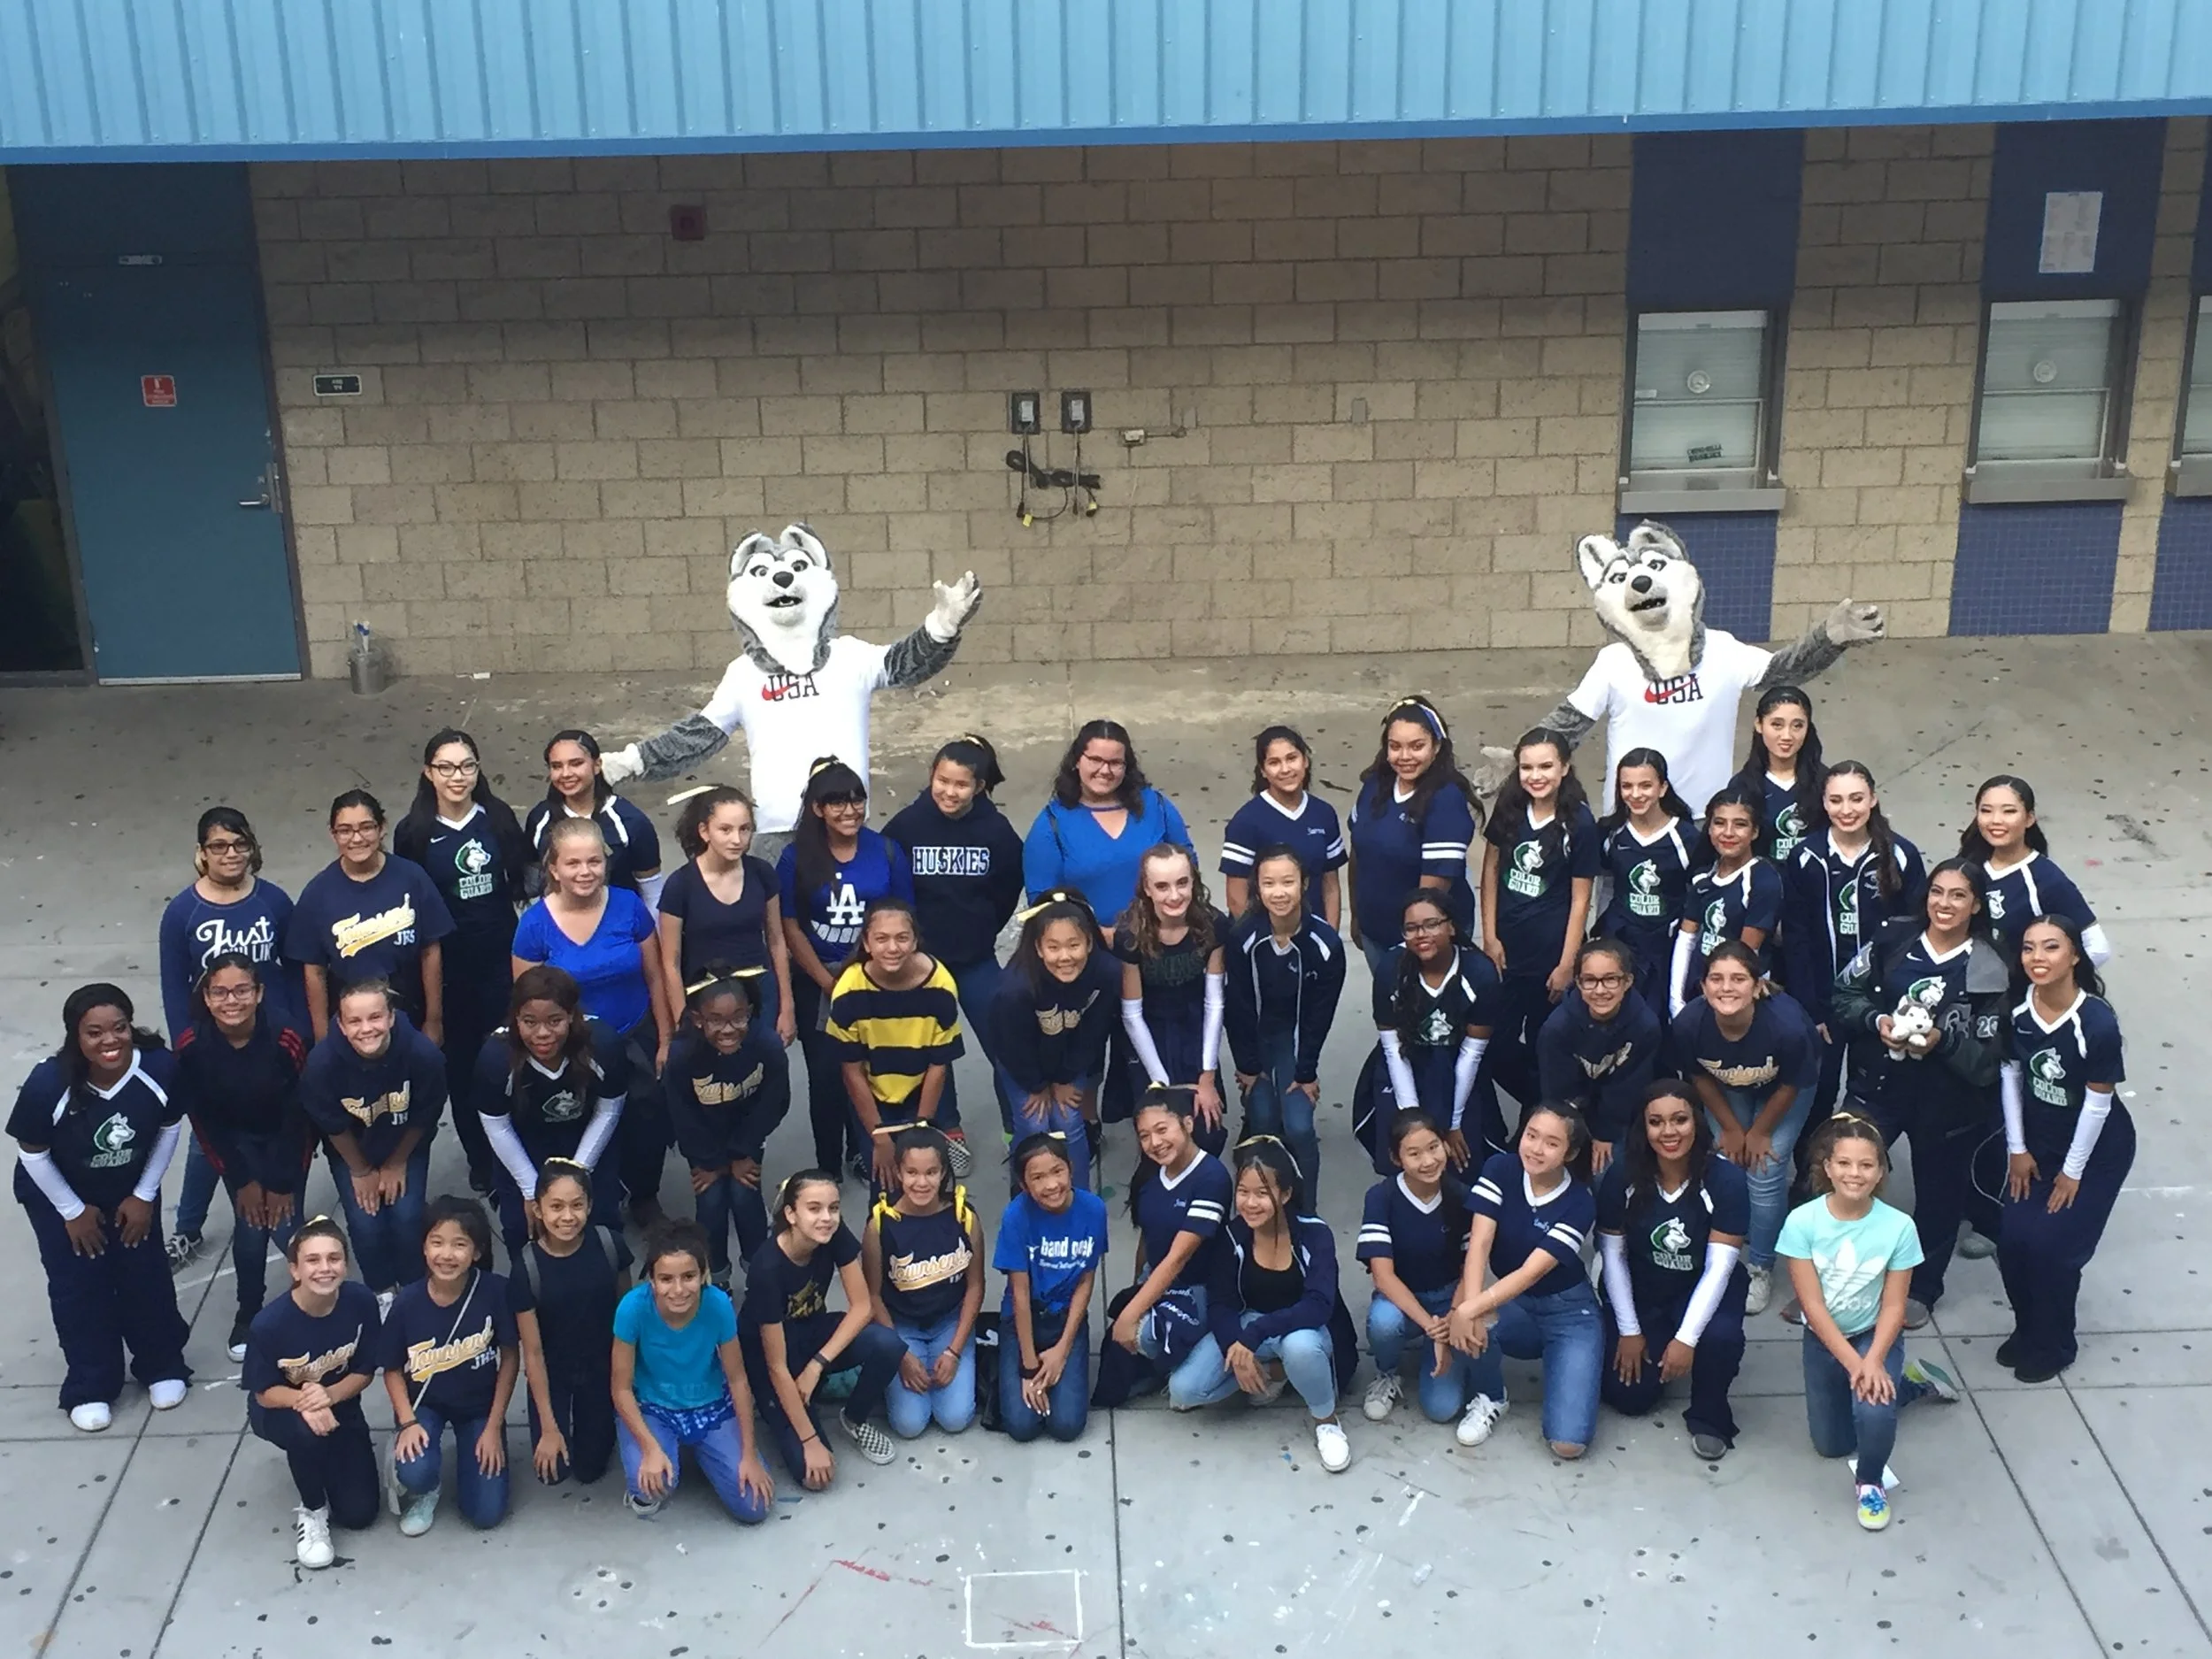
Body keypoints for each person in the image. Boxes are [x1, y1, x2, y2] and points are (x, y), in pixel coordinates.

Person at [1830, 859, 2008, 1328]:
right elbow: (1844, 993)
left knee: (1939, 1199)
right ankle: (1833, 1280)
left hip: (1949, 1106)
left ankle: (1923, 1289)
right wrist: (1877, 1021)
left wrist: (1943, 1042)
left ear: (1977, 904)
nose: (1944, 904)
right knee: (1836, 1174)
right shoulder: (1892, 938)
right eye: (1937, 892)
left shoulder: (1991, 968)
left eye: (1957, 895)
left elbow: (1990, 1062)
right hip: (1877, 1088)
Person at [8, 985, 190, 1432]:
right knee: (80, 1287)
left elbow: (169, 1128)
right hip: (60, 1197)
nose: (110, 1041)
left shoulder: (160, 1068)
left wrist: (145, 1194)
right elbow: (32, 1153)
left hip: (130, 1189)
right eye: (95, 1033)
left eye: (119, 1028)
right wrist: (72, 1210)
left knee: (144, 1275)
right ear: (76, 1036)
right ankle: (90, 1385)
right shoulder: (48, 1083)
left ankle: (161, 1364)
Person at [1777, 1115, 1962, 1532]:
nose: (1854, 1174)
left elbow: (1895, 1306)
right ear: (1827, 1167)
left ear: (1880, 1171)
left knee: (1874, 1413)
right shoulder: (1802, 1224)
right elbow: (1812, 1305)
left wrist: (1873, 1360)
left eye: (1865, 1165)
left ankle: (1871, 1481)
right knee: (1833, 1444)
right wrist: (1856, 1366)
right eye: (1844, 1163)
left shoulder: (1898, 1228)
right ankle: (1909, 1386)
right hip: (1824, 1340)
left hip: (1874, 1335)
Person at [157, 806, 303, 1270]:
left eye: (240, 844)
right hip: (211, 1045)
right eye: (219, 846)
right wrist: (187, 1044)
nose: (231, 854)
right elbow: (173, 986)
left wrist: (301, 1028)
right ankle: (187, 1229)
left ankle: (286, 1217)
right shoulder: (182, 912)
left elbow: (298, 972)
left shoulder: (275, 902)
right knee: (207, 1141)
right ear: (201, 854)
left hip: (271, 1041)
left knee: (286, 1125)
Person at [511, 817, 672, 1224]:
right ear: (554, 868)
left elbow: (654, 976)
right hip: (571, 1046)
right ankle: (589, 1199)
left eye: (594, 862)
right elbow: (527, 1004)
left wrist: (666, 1040)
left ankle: (644, 1196)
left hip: (634, 1034)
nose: (585, 872)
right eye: (573, 863)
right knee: (582, 1126)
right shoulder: (533, 926)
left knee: (647, 1120)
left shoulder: (630, 907)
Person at [1995, 916, 2134, 1383]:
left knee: (2053, 1249)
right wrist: (2017, 1148)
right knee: (2013, 1240)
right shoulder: (2016, 1010)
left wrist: (2072, 1171)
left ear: (2074, 956)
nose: (2039, 957)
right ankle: (2028, 1328)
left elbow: (2098, 1105)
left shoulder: (2096, 1022)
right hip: (2038, 1145)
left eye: (2051, 947)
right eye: (2030, 947)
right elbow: (2011, 1075)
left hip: (2095, 1152)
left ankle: (2056, 1343)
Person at [396, 729, 532, 1196]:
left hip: (499, 962)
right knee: (461, 1070)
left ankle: (517, 1150)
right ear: (428, 773)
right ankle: (482, 1161)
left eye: (467, 766)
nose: (458, 776)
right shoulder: (414, 832)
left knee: (509, 1060)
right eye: (447, 767)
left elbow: (525, 882)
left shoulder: (496, 820)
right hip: (446, 972)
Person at [1174, 1137, 1359, 1472]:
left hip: (1305, 1330)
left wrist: (1252, 1336)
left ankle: (1326, 1421)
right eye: (1243, 1192)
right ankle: (1274, 1373)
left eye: (1262, 1193)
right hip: (1252, 1327)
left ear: (1285, 1194)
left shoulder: (1315, 1235)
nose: (1250, 1203)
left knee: (1300, 1348)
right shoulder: (1233, 1236)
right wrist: (1235, 1344)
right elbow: (1221, 1303)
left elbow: (1318, 1305)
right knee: (1185, 1390)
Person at [1596, 1081, 1751, 1460]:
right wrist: (1630, 1331)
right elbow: (1611, 1255)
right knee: (1630, 1398)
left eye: (1680, 1120)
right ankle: (1653, 1354)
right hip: (1641, 1288)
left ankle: (1710, 1414)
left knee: (1719, 1336)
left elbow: (1719, 1268)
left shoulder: (1725, 1180)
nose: (1668, 1132)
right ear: (1642, 1128)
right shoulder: (1622, 1176)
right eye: (1656, 1122)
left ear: (1697, 1122)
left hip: (1699, 1285)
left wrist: (1687, 1339)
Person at [171, 955, 313, 1360]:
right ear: (207, 997)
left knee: (288, 1229)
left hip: (284, 1140)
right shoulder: (192, 1047)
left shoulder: (287, 1038)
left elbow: (300, 1114)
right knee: (251, 1230)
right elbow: (204, 1121)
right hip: (234, 1145)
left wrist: (283, 1183)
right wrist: (243, 1180)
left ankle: (311, 1310)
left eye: (242, 990)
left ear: (259, 993)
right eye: (219, 991)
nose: (231, 1000)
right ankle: (249, 1312)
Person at [779, 757, 914, 1179]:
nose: (850, 811)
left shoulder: (887, 851)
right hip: (816, 979)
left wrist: (874, 972)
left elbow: (902, 916)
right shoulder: (795, 858)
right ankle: (827, 1164)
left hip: (875, 975)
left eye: (857, 800)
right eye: (837, 803)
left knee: (871, 1066)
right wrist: (825, 980)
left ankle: (866, 1149)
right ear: (818, 809)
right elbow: (788, 924)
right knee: (825, 1073)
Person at [1445, 1103, 1602, 1460]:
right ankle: (1491, 1396)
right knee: (1472, 1322)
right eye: (1531, 1136)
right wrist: (1470, 1308)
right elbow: (1480, 1244)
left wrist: (1468, 1308)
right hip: (1514, 1306)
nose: (1535, 1148)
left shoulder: (1579, 1202)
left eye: (1551, 1143)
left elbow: (1531, 1272)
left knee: (1568, 1445)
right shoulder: (1501, 1168)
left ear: (1571, 1153)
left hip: (1569, 1313)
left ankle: (1572, 1362)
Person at [1672, 943, 1819, 1316]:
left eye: (1738, 979)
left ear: (1757, 986)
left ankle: (1760, 1265)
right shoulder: (1690, 1023)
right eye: (1716, 979)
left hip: (1784, 1088)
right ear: (1703, 986)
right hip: (1727, 1083)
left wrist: (1760, 1132)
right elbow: (1697, 1076)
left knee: (1765, 1168)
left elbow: (1792, 1083)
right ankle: (1723, 1246)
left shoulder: (1787, 1027)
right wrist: (1733, 1129)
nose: (1726, 988)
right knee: (1728, 1159)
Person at [1781, 762, 1927, 1125]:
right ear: (1824, 804)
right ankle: (1811, 1176)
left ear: (1873, 799)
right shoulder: (1805, 857)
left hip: (1879, 1002)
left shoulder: (1901, 855)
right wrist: (1810, 1010)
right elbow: (1796, 938)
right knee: (1818, 1094)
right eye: (1836, 800)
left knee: (1874, 1096)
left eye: (1857, 799)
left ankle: (1863, 1171)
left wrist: (1899, 1004)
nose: (1847, 810)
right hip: (1824, 1001)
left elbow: (1914, 934)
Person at [739, 1171, 906, 1484]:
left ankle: (854, 1417)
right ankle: (780, 1407)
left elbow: (862, 1306)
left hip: (814, 1332)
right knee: (815, 1474)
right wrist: (809, 1441)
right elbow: (776, 1366)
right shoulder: (767, 1269)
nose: (826, 1218)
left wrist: (818, 1365)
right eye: (814, 1209)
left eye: (833, 1208)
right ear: (791, 1214)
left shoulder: (832, 1232)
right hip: (771, 1357)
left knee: (888, 1343)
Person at [885, 734, 1027, 1083]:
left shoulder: (996, 831)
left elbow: (1009, 884)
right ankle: (944, 1127)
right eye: (943, 781)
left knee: (1007, 1045)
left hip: (975, 962)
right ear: (932, 775)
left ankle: (1018, 1130)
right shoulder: (906, 827)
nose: (950, 792)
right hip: (920, 963)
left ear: (979, 787)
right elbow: (889, 887)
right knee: (927, 1052)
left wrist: (984, 926)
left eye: (961, 785)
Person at [613, 1218, 776, 1523]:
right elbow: (620, 1388)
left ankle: (705, 1451)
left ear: (704, 1275)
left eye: (688, 1276)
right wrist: (649, 1449)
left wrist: (749, 1454)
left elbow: (738, 1379)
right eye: (665, 1279)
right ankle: (661, 1447)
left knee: (754, 1507)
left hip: (711, 1405)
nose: (678, 1290)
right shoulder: (632, 1308)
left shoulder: (718, 1305)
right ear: (651, 1279)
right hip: (654, 1407)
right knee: (649, 1489)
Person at [1479, 730, 1600, 1133]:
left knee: (1545, 1046)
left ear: (1564, 768)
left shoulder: (1579, 822)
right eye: (1527, 767)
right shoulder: (1510, 809)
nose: (1536, 776)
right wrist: (1490, 936)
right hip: (1507, 954)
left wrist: (1568, 963)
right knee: (1494, 1045)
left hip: (1551, 956)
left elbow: (1582, 897)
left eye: (1546, 766)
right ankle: (1543, 1108)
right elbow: (1491, 870)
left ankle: (1539, 1125)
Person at [297, 980, 446, 1305]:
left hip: (405, 1144)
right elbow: (331, 1124)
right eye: (355, 1021)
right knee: (365, 1222)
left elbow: (426, 1114)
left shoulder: (422, 1055)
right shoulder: (322, 1064)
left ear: (391, 1018)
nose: (367, 1029)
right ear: (340, 1024)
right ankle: (380, 1292)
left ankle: (413, 1288)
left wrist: (396, 1162)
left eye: (375, 1018)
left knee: (406, 1215)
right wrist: (361, 1170)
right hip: (352, 1149)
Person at [244, 1217, 381, 1569]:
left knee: (360, 1514)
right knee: (305, 1435)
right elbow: (263, 1392)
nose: (325, 1268)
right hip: (280, 1410)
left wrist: (329, 1396)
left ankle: (337, 1459)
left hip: (340, 1404)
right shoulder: (269, 1323)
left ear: (345, 1264)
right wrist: (306, 1403)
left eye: (334, 1259)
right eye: (313, 1260)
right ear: (294, 1269)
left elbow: (365, 1371)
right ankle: (313, 1511)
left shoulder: (362, 1302)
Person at [379, 1195, 519, 1536]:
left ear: (477, 1252)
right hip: (425, 1407)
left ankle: (468, 1462)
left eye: (460, 1244)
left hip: (478, 1408)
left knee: (486, 1514)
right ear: (424, 1247)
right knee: (415, 1470)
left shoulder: (495, 1291)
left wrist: (493, 1426)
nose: (447, 1254)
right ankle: (422, 1486)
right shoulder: (407, 1303)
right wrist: (407, 1420)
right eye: (437, 1242)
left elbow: (510, 1357)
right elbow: (392, 1368)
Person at [472, 966, 628, 1256]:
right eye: (529, 1022)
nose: (542, 1034)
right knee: (525, 1229)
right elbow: (496, 1125)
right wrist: (533, 1191)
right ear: (516, 1019)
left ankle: (609, 1295)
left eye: (554, 1020)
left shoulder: (603, 1045)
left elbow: (609, 1110)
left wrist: (578, 1174)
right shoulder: (496, 1058)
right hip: (524, 1145)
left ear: (571, 1015)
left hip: (586, 1140)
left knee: (601, 1227)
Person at [286, 789, 455, 1043]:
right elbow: (314, 971)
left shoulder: (412, 878)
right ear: (333, 835)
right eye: (345, 830)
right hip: (351, 1023)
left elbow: (431, 951)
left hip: (409, 1016)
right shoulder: (318, 893)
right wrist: (322, 1035)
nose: (357, 838)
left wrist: (434, 1020)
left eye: (366, 827)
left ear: (382, 828)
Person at [1225, 848, 1347, 1197]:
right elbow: (1238, 1007)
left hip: (1295, 1041)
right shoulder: (1244, 939)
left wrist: (1306, 1072)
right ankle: (1258, 1199)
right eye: (1269, 883)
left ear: (1304, 885)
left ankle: (1306, 1209)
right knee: (1262, 1120)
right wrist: (1247, 1066)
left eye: (1288, 882)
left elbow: (1319, 1016)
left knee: (1299, 1127)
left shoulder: (1325, 946)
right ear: (1257, 889)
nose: (1279, 892)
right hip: (1258, 1039)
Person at [826, 897, 968, 1187]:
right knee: (885, 1188)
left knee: (925, 1183)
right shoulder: (848, 991)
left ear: (915, 941)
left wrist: (920, 1128)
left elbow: (938, 1066)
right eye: (881, 939)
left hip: (922, 1091)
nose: (892, 948)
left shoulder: (940, 985)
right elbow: (852, 1072)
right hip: (872, 1096)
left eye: (902, 938)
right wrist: (879, 1135)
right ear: (866, 943)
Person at [1354, 890, 1497, 1171]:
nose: (1421, 934)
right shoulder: (1390, 971)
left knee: (1462, 1155)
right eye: (1411, 928)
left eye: (1431, 924)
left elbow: (1472, 1054)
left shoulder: (1480, 974)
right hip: (1404, 1061)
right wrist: (1413, 1122)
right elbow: (1393, 1050)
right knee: (1405, 1153)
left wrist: (1454, 1122)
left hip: (1454, 1064)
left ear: (1452, 927)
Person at [665, 966, 792, 1285]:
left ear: (750, 1013)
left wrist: (742, 1153)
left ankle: (760, 1271)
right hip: (703, 1143)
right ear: (698, 1020)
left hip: (747, 1136)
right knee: (710, 1201)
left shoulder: (767, 1046)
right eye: (716, 1020)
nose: (729, 1029)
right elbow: (681, 1115)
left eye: (738, 1017)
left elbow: (775, 1103)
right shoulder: (681, 1056)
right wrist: (712, 1164)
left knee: (744, 1193)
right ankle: (715, 1275)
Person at [1108, 1087, 1233, 1401]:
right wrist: (1137, 1287)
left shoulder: (1211, 1177)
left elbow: (1179, 1258)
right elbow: (1147, 1236)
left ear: (1188, 1124)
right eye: (1145, 1135)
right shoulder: (1151, 1174)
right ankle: (1169, 1359)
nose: (1155, 1143)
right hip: (1159, 1277)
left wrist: (1130, 1316)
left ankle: (1262, 1367)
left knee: (1181, 1389)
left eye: (1162, 1130)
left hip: (1202, 1288)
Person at [512, 1160, 631, 1487]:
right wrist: (549, 1428)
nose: (567, 1217)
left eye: (577, 1205)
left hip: (601, 1370)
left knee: (590, 1470)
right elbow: (532, 1355)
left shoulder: (610, 1246)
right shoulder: (527, 1268)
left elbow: (627, 1318)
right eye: (556, 1207)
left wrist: (625, 1383)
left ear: (590, 1206)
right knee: (554, 1473)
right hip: (555, 1374)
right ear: (538, 1210)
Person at [1344, 695, 1480, 979]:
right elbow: (1358, 852)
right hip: (1375, 933)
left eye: (1417, 746)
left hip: (1424, 942)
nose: (1404, 757)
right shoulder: (1375, 787)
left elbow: (1432, 895)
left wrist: (1412, 947)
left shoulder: (1447, 801)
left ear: (1437, 747)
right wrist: (1357, 915)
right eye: (1395, 747)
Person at [1357, 1111, 1479, 1427]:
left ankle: (1444, 1355)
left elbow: (1471, 1268)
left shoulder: (1462, 1196)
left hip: (1449, 1300)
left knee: (1442, 1409)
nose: (1427, 1161)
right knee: (1384, 1324)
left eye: (1434, 1147)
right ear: (1396, 1159)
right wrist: (1433, 1328)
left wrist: (1454, 1316)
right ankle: (1387, 1372)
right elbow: (1383, 1276)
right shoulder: (1381, 1198)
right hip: (1401, 1298)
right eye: (1414, 1153)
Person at [864, 1127, 987, 1439]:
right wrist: (900, 1354)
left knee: (955, 1418)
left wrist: (954, 1351)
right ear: (899, 1172)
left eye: (931, 1172)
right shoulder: (880, 1223)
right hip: (902, 1326)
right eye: (912, 1172)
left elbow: (975, 1286)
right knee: (909, 1425)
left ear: (944, 1171)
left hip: (950, 1322)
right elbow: (873, 1296)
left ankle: (969, 1359)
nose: (922, 1182)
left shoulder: (964, 1217)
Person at [990, 892, 1118, 1179]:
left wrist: (1064, 1079)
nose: (1065, 957)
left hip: (1071, 1059)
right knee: (1034, 1126)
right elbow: (1011, 1046)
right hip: (1023, 1066)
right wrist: (1037, 1086)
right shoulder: (1014, 990)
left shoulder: (1106, 973)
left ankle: (1079, 1197)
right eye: (1054, 947)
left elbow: (1094, 1033)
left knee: (1069, 1121)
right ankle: (1026, 1195)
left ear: (1089, 942)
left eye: (1074, 945)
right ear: (1038, 948)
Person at [656, 785, 796, 1046]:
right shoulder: (680, 886)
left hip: (759, 997)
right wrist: (681, 1020)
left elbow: (777, 942)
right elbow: (670, 963)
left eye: (745, 829)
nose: (737, 839)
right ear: (704, 831)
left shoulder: (762, 874)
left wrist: (787, 1007)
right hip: (706, 1001)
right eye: (726, 830)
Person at [994, 1132, 1110, 1442]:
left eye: (1057, 1171)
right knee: (1021, 1427)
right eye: (1038, 1177)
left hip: (1066, 1320)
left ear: (1071, 1168)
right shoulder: (1016, 1216)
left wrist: (1063, 1349)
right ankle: (1001, 1366)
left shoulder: (1094, 1209)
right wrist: (1029, 1367)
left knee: (1067, 1426)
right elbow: (1018, 1294)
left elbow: (1087, 1278)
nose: (1051, 1185)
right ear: (1024, 1184)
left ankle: (1059, 1364)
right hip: (1024, 1320)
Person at [1115, 844, 1231, 1152]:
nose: (1174, 895)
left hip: (1193, 1028)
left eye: (1182, 883)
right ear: (1147, 890)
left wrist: (1206, 1077)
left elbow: (1214, 1002)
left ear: (1194, 881)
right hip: (1148, 1032)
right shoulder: (1130, 934)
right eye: (1162, 886)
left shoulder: (1213, 924)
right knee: (1159, 1132)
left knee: (1206, 1127)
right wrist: (1161, 1086)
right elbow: (1131, 1014)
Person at [1021, 719, 1192, 923]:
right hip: (1090, 950)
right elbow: (1042, 906)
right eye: (1095, 759)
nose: (1105, 770)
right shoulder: (1051, 824)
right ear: (1077, 760)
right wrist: (1099, 936)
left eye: (1115, 763)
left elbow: (1189, 870)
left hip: (1160, 945)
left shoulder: (1158, 807)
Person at [1534, 937, 1663, 1175]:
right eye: (1590, 981)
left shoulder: (1645, 1026)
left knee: (1609, 1170)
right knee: (1554, 1162)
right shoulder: (1557, 1029)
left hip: (1619, 1114)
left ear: (1628, 982)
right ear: (1578, 984)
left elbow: (1630, 1087)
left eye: (1611, 980)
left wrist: (1605, 1134)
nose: (1600, 990)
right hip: (1572, 1109)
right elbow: (1557, 1092)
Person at [1958, 774, 2111, 963]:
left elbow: (2097, 947)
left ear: (2029, 818)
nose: (1996, 820)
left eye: (2009, 811)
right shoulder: (1966, 866)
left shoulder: (2046, 879)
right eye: (1986, 811)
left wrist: (2048, 985)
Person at [1594, 749, 1698, 1023]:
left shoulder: (1686, 837)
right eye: (1627, 786)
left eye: (1645, 785)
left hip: (1665, 944)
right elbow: (1605, 883)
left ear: (1662, 787)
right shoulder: (1610, 833)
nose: (1636, 794)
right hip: (1622, 940)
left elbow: (1697, 896)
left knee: (1659, 1020)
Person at [1670, 785, 1781, 1018]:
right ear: (1708, 828)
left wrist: (1720, 1002)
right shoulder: (1702, 876)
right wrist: (1676, 1001)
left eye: (1740, 824)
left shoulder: (1763, 879)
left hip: (1738, 997)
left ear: (1756, 831)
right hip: (1700, 988)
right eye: (1719, 823)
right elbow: (1686, 940)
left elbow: (1746, 955)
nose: (1728, 832)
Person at [1219, 726, 1345, 925]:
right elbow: (1236, 896)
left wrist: (1329, 939)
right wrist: (1261, 943)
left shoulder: (1324, 814)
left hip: (1311, 937)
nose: (1285, 769)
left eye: (1291, 758)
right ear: (1263, 771)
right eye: (1274, 762)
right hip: (1264, 942)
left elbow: (1330, 886)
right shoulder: (1245, 822)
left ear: (1305, 761)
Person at [525, 729, 664, 902]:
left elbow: (652, 891)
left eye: (576, 763)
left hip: (620, 925)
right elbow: (534, 885)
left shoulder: (632, 822)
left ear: (597, 765)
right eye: (557, 766)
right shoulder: (539, 819)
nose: (566, 773)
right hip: (559, 926)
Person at [1730, 685, 1826, 866]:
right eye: (1777, 725)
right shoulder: (1741, 785)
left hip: (1814, 889)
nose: (1787, 735)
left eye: (1797, 725)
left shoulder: (1826, 782)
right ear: (1759, 724)